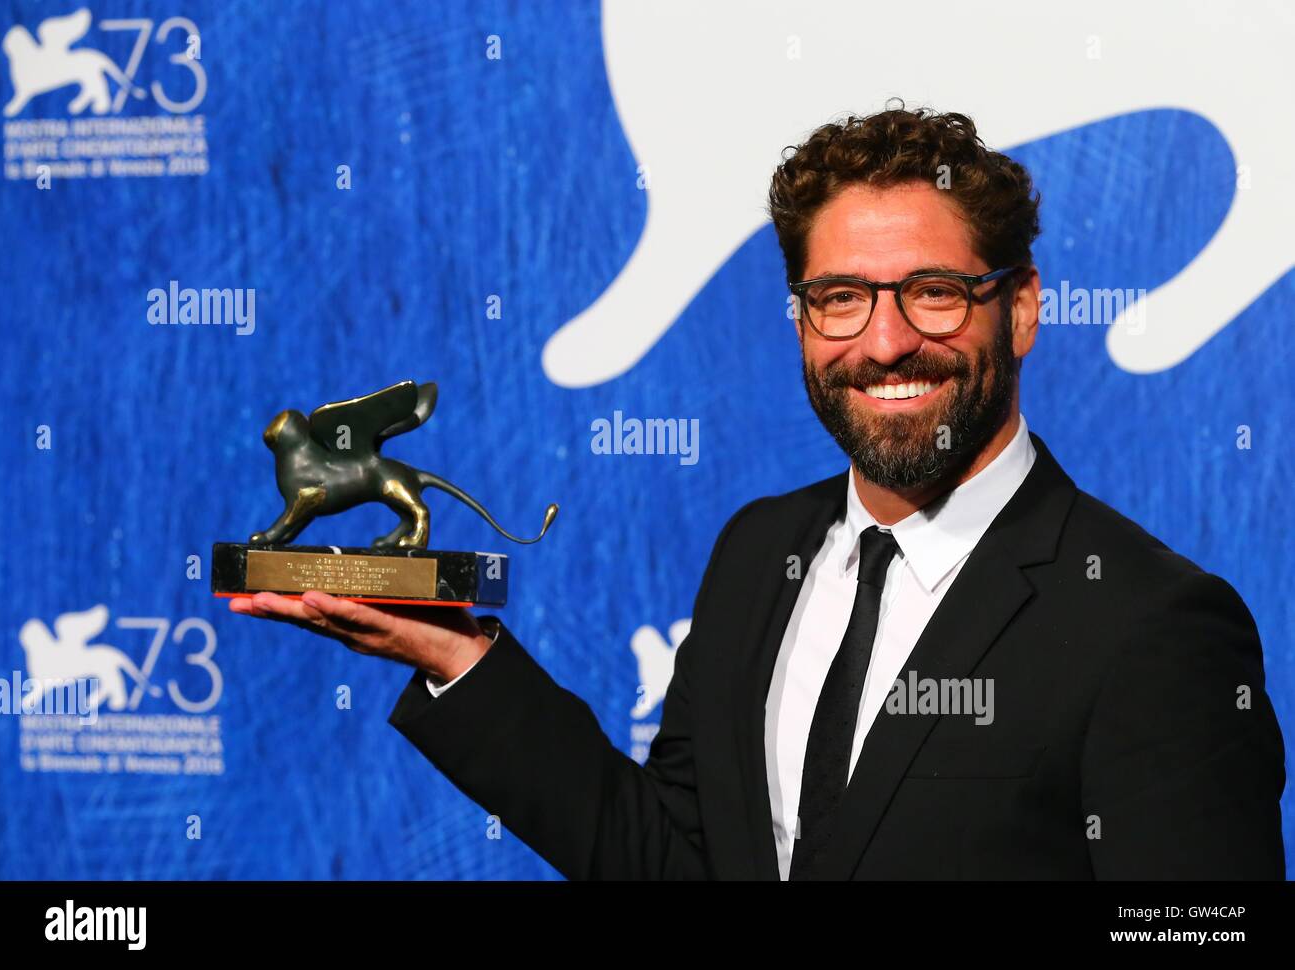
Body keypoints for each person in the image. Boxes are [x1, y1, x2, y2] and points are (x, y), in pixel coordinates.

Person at [229, 106, 1286, 879]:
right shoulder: (758, 552)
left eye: (932, 292)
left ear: (1018, 312)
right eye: (839, 298)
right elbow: (673, 863)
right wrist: (463, 657)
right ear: (799, 320)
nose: (884, 341)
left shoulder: (1150, 625)